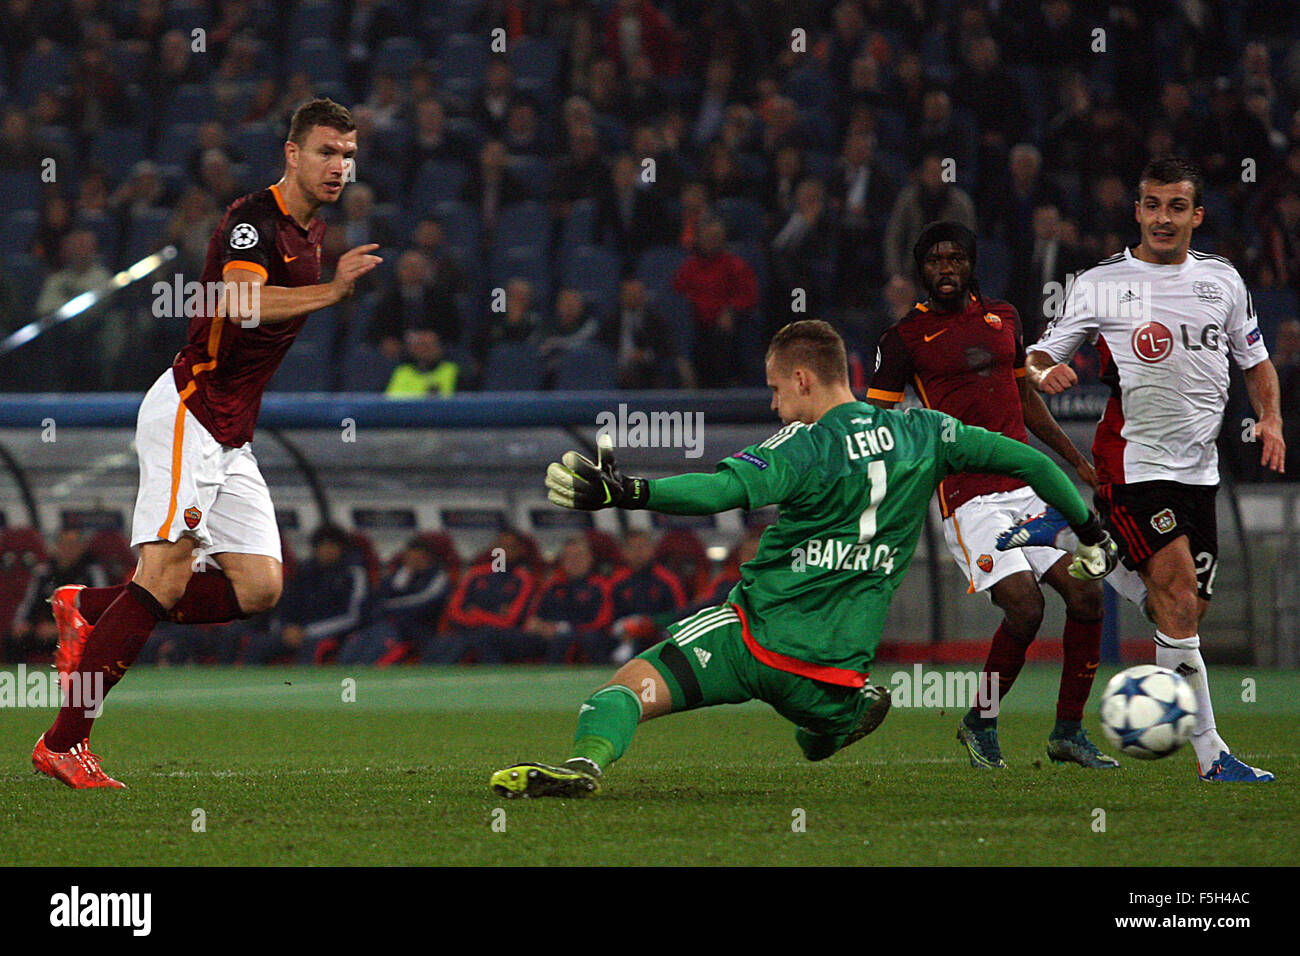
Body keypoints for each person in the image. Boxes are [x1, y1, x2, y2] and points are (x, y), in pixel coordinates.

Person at [489, 319, 1119, 798]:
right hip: (833, 671)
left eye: (774, 389)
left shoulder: (804, 443)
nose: (773, 405)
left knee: (621, 693)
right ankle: (841, 717)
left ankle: (585, 764)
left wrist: (628, 492)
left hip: (751, 641)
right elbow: (1033, 462)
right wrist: (1089, 530)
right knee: (815, 742)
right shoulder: (928, 431)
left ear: (802, 380)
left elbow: (720, 490)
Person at [33, 98, 382, 789]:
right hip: (190, 412)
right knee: (164, 574)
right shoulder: (254, 220)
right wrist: (330, 293)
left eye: (347, 154)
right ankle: (63, 743)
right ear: (292, 153)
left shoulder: (312, 233)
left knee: (259, 587)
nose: (339, 166)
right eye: (325, 151)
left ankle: (90, 608)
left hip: (231, 433)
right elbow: (240, 304)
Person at [1012, 157, 1284, 782]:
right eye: (1153, 205)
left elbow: (1256, 361)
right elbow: (1033, 357)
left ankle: (1085, 543)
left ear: (1197, 215)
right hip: (1132, 462)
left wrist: (1270, 418)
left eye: (1176, 207)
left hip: (1200, 472)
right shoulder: (1102, 284)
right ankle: (1211, 756)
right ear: (1137, 211)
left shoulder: (1223, 280)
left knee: (1181, 611)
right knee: (1180, 599)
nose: (1164, 218)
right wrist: (1045, 370)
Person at [868, 220, 1116, 770]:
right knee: (1025, 608)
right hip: (969, 497)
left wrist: (1076, 462)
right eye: (935, 261)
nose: (946, 269)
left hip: (1027, 488)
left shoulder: (1004, 317)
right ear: (921, 270)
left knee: (1087, 595)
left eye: (955, 258)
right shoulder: (903, 338)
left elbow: (1024, 399)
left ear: (971, 264)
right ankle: (981, 719)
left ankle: (1068, 732)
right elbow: (878, 424)